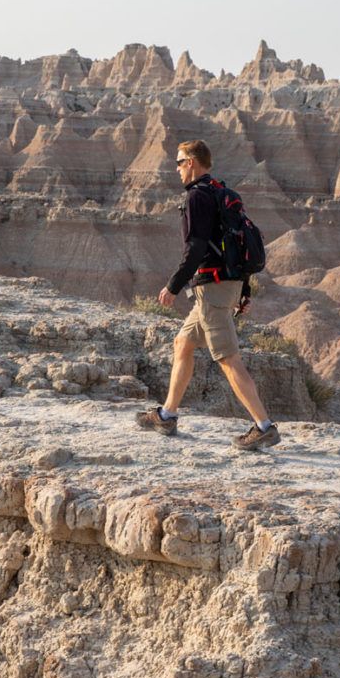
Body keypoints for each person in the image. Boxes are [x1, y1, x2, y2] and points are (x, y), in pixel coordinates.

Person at [135, 140, 281, 450]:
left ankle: (264, 426)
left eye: (178, 162)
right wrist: (244, 289)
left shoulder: (196, 197)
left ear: (191, 162)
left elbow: (197, 248)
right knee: (183, 343)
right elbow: (239, 247)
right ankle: (167, 415)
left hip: (212, 290)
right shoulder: (223, 193)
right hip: (221, 287)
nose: (176, 168)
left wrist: (173, 286)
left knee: (228, 359)